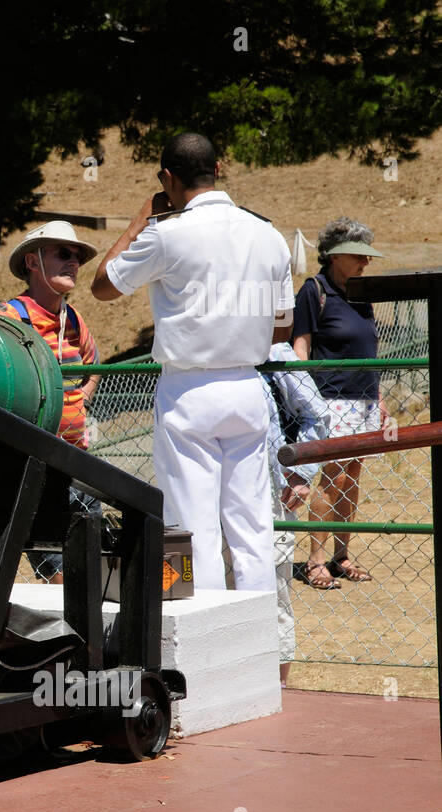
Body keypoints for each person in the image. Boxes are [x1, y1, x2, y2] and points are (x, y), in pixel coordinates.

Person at [91, 132, 294, 593]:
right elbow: (282, 328)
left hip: (189, 392)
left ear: (168, 178)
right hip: (247, 386)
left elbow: (103, 285)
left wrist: (143, 218)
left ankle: (206, 648)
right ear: (218, 169)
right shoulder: (269, 236)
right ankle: (259, 639)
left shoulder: (166, 235)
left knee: (193, 528)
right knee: (253, 528)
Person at [0, 221, 101, 583]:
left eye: (77, 257)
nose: (73, 262)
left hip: (80, 467)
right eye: (63, 254)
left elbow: (95, 364)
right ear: (32, 262)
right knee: (60, 581)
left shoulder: (73, 320)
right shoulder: (11, 319)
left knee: (91, 575)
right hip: (35, 471)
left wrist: (80, 396)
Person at [291, 218, 385, 590]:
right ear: (334, 255)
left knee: (351, 478)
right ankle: (316, 561)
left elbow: (369, 348)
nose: (366, 263)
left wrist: (378, 398)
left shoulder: (361, 295)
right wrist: (304, 400)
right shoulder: (314, 291)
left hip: (363, 401)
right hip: (330, 400)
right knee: (331, 480)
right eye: (358, 256)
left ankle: (341, 554)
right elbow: (301, 347)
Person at [262, 341, 328, 685]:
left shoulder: (275, 353)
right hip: (214, 496)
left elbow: (316, 413)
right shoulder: (202, 348)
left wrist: (301, 474)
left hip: (270, 496)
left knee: (273, 588)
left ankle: (279, 685)